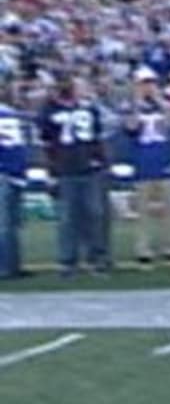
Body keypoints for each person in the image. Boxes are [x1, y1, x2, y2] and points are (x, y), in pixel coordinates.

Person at [39, 73, 112, 278]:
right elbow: (46, 145)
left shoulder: (90, 110)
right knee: (67, 218)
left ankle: (97, 258)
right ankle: (68, 261)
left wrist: (103, 162)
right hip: (65, 169)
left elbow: (98, 138)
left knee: (95, 215)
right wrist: (51, 172)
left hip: (90, 168)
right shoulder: (49, 111)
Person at [124, 67, 170, 264]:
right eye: (144, 84)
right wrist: (137, 104)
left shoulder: (165, 104)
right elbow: (130, 127)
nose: (148, 87)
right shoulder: (130, 105)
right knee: (143, 208)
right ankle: (143, 247)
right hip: (143, 160)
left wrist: (161, 103)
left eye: (151, 83)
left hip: (164, 159)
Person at [0, 83, 31, 280]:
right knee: (5, 224)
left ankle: (12, 265)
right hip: (6, 173)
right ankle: (6, 266)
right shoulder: (11, 115)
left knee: (12, 224)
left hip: (14, 173)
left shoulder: (14, 115)